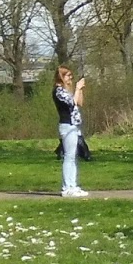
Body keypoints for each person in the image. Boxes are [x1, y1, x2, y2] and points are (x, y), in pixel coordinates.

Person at [53, 67, 88, 198]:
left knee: (73, 156)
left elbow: (79, 102)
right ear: (61, 77)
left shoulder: (67, 91)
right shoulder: (58, 91)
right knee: (69, 157)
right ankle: (67, 187)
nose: (70, 79)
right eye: (67, 76)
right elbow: (71, 104)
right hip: (67, 126)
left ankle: (72, 185)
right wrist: (77, 89)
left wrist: (80, 89)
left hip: (74, 126)